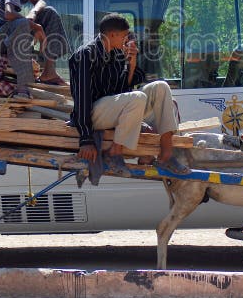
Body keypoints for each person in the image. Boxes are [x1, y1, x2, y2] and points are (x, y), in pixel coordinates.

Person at [69, 13, 190, 176]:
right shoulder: (85, 55)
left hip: (114, 111)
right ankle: (114, 153)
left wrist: (131, 64)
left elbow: (123, 90)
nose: (127, 39)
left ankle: (166, 154)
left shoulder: (118, 53)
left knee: (161, 87)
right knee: (138, 98)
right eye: (124, 36)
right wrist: (86, 140)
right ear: (113, 35)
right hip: (93, 114)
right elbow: (81, 98)